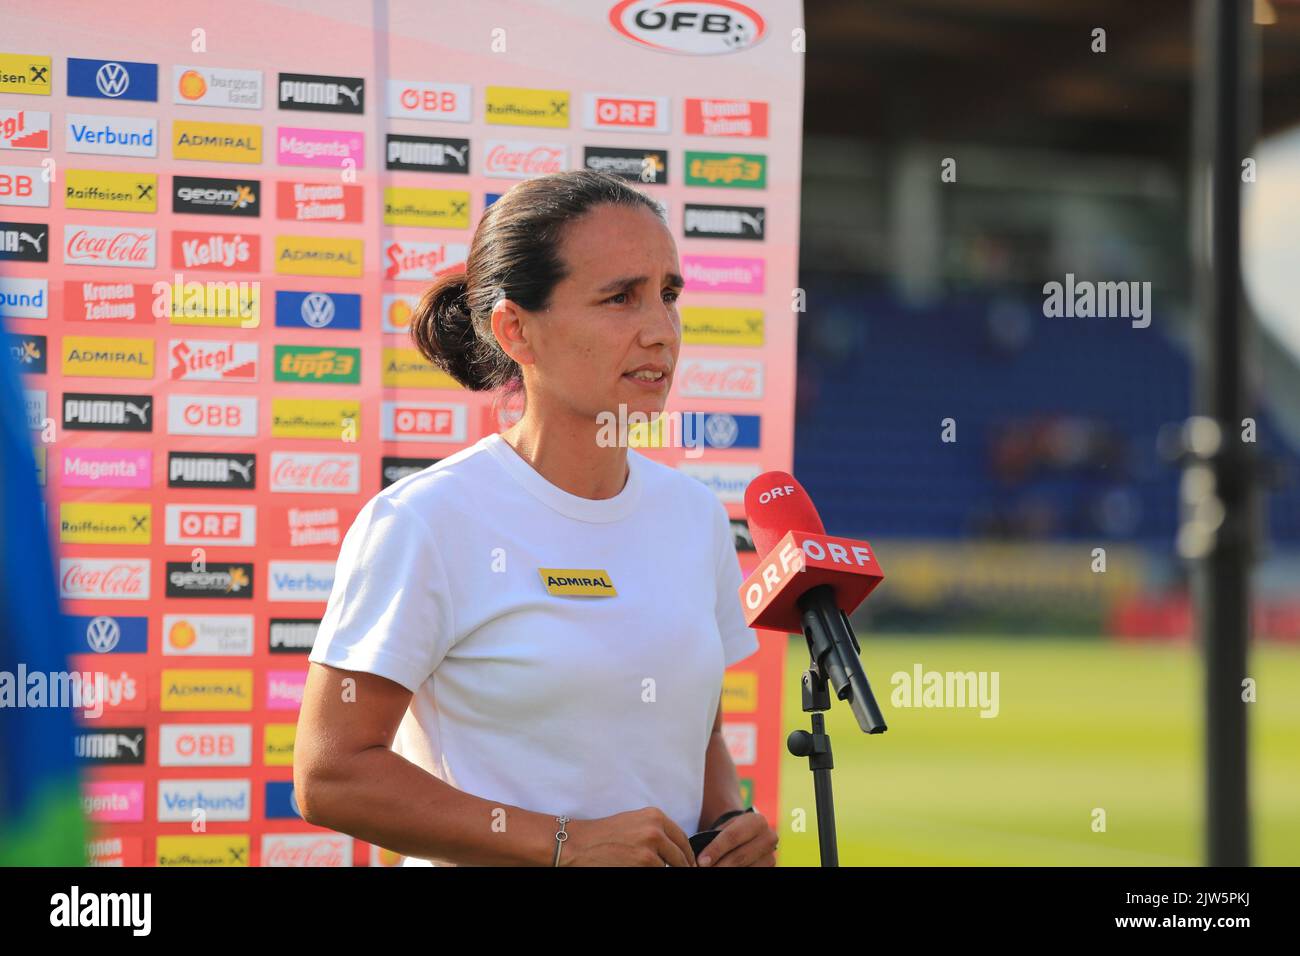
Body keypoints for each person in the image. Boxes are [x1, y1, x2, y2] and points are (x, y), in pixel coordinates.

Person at [294, 169, 776, 867]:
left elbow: (693, 738)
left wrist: (730, 823)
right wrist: (563, 845)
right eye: (620, 298)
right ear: (516, 330)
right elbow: (331, 775)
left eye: (668, 295)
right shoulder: (426, 519)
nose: (660, 332)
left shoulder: (695, 515)